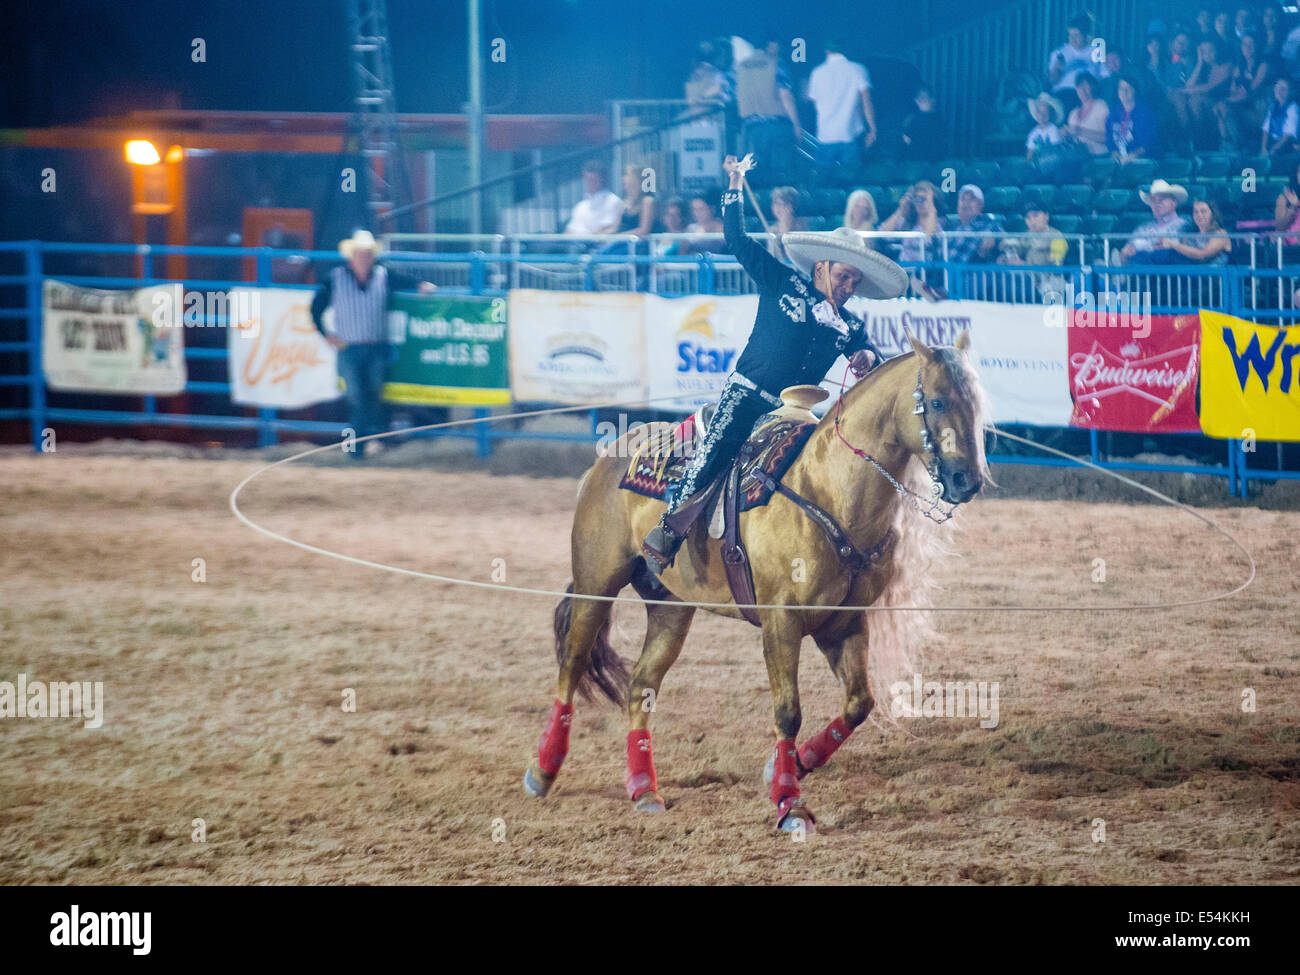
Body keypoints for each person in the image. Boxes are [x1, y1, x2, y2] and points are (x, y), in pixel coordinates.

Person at [641, 153, 906, 573]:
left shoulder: (850, 325)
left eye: (855, 281)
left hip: (796, 413)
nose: (849, 286)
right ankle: (668, 530)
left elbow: (876, 365)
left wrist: (868, 355)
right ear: (823, 268)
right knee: (714, 453)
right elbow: (737, 240)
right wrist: (734, 185)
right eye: (844, 277)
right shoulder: (781, 279)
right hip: (747, 394)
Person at [309, 230, 436, 460]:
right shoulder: (335, 278)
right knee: (357, 397)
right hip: (349, 348)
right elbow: (316, 307)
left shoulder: (383, 274)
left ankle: (374, 442)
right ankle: (360, 447)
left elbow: (404, 280)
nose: (364, 258)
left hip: (376, 346)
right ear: (352, 256)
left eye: (368, 254)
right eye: (361, 253)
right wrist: (325, 333)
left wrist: (421, 284)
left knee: (374, 394)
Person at [735, 32, 803, 182]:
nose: (781, 49)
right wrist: (796, 126)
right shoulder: (776, 63)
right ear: (771, 44)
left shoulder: (740, 67)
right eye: (780, 45)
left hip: (751, 128)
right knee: (781, 174)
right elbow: (786, 96)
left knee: (755, 173)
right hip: (776, 126)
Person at [806, 39, 876, 171]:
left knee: (824, 183)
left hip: (825, 135)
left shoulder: (817, 72)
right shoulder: (858, 69)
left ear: (826, 51)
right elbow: (867, 102)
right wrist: (872, 128)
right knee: (851, 180)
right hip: (850, 134)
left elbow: (813, 101)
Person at [1116, 178, 1192, 265]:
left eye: (1161, 200)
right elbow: (1129, 249)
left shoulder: (1185, 225)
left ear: (1174, 202)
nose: (1156, 204)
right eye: (1153, 200)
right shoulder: (1143, 228)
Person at [1160, 198, 1232, 264]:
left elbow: (1203, 255)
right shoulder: (1189, 234)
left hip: (1216, 276)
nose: (1199, 215)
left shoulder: (1221, 233)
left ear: (1213, 214)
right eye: (1196, 212)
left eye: (1203, 211)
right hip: (1188, 276)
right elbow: (1182, 254)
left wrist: (1172, 244)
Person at [943, 184, 1002, 263]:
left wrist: (992, 239)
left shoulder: (988, 224)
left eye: (972, 199)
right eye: (962, 199)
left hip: (968, 273)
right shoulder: (948, 226)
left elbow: (1007, 241)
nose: (966, 203)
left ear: (981, 205)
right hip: (942, 271)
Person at [1107, 76, 1160, 162]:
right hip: (1121, 160)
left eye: (1128, 88)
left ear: (1135, 90)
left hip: (1144, 161)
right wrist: (1115, 154)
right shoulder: (1113, 114)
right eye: (1121, 88)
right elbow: (1110, 141)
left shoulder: (1144, 113)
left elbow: (1147, 143)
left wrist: (1132, 156)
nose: (1124, 92)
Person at [565, 160, 623, 235]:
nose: (590, 183)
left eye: (594, 180)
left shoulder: (613, 201)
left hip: (596, 245)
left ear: (602, 179)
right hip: (575, 243)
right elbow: (570, 230)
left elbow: (606, 229)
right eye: (587, 179)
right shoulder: (581, 205)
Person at [1067, 72, 1110, 154]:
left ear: (1093, 87)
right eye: (1079, 87)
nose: (1082, 90)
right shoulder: (1073, 114)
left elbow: (1107, 137)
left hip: (1100, 158)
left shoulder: (1101, 107)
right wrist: (1066, 134)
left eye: (1086, 86)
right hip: (1078, 158)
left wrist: (1081, 131)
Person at [900, 85, 945, 161]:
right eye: (923, 98)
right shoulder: (911, 119)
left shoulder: (938, 119)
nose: (928, 101)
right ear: (916, 100)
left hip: (935, 159)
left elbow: (941, 140)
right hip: (916, 160)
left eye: (928, 98)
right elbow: (906, 140)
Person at [767, 185, 808, 261]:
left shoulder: (802, 225)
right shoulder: (771, 230)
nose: (778, 208)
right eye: (776, 203)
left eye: (783, 204)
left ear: (792, 206)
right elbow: (774, 256)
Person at [1261, 76, 1299, 155]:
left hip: (1286, 143)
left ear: (1289, 91)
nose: (1279, 91)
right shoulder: (1272, 106)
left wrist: (1273, 150)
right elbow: (1266, 129)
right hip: (1273, 140)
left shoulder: (1293, 108)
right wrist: (1263, 148)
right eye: (1277, 88)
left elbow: (1288, 135)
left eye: (1284, 89)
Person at [1026, 92, 1065, 161]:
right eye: (1039, 112)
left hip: (1051, 162)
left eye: (1045, 113)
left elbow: (1055, 151)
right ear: (1036, 113)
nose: (1041, 115)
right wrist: (1029, 162)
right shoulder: (1033, 132)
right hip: (1038, 163)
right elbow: (1030, 151)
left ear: (1050, 114)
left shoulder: (1053, 130)